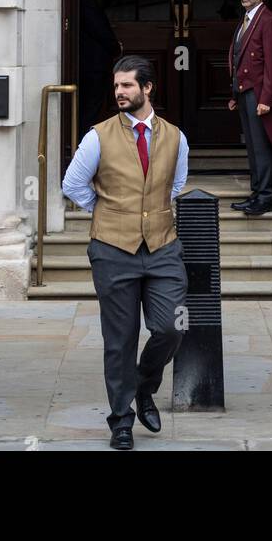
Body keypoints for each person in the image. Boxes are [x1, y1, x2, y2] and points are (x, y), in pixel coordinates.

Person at [62, 54, 190, 451]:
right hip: (113, 249)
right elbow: (73, 184)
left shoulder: (175, 136)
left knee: (172, 327)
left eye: (128, 86)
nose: (120, 92)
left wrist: (151, 215)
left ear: (148, 88)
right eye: (117, 86)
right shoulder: (97, 135)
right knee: (119, 338)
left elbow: (176, 184)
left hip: (163, 247)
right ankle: (121, 420)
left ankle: (144, 386)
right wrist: (109, 213)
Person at [227, 0, 272, 216]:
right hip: (245, 92)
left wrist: (267, 99)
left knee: (262, 147)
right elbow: (240, 58)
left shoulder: (269, 21)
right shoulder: (247, 19)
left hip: (259, 95)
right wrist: (235, 93)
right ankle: (256, 193)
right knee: (253, 147)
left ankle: (266, 197)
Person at [78, 0, 120, 138]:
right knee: (90, 110)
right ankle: (84, 148)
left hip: (93, 66)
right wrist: (116, 47)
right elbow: (99, 30)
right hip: (92, 67)